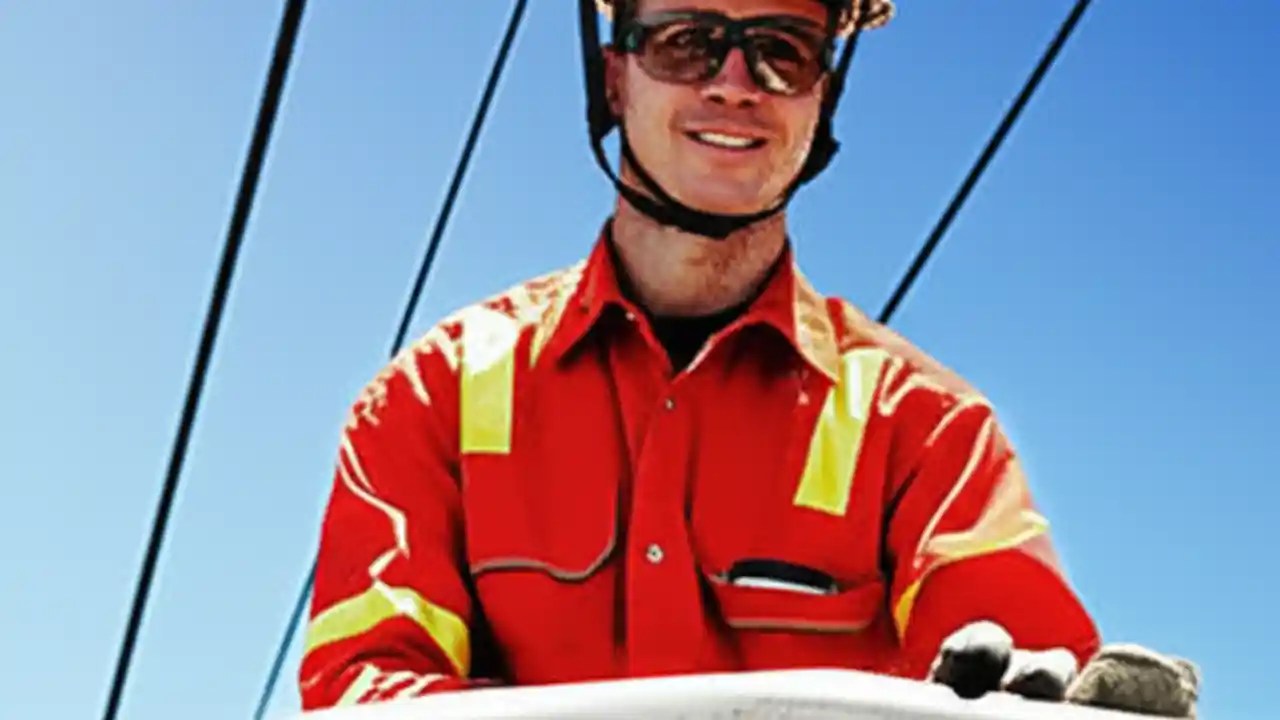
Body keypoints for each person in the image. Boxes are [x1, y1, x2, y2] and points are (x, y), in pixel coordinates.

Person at [296, 0, 1105, 710]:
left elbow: (1024, 664)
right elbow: (367, 693)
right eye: (686, 42)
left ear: (823, 98)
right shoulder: (432, 397)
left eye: (783, 51)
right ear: (615, 80)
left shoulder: (928, 430)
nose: (735, 83)